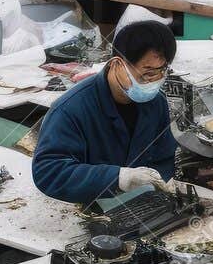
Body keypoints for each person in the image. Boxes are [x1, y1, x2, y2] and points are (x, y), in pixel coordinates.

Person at [32, 18, 178, 204]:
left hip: (137, 204)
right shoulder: (71, 108)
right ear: (118, 64)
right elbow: (49, 172)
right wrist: (117, 178)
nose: (154, 80)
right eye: (147, 73)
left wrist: (161, 183)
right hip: (81, 205)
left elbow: (163, 155)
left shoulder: (155, 102)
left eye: (161, 71)